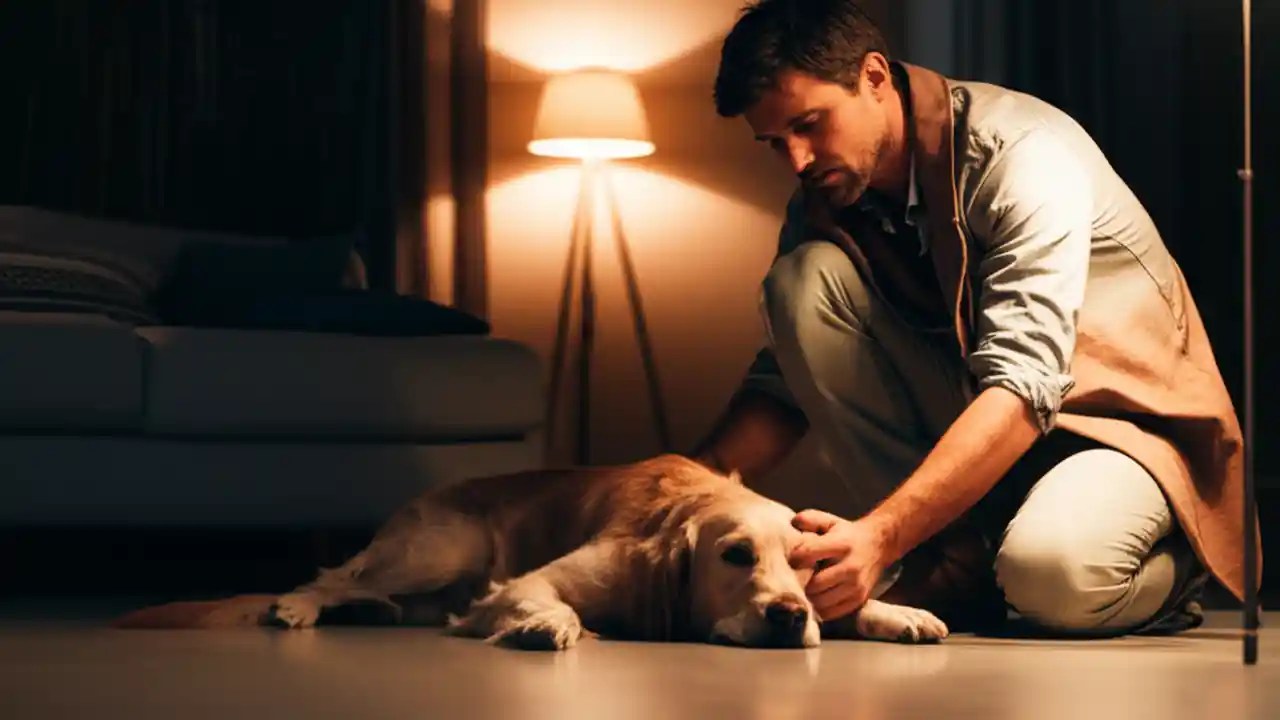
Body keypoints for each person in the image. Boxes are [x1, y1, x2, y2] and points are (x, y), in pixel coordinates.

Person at [692, 0, 1258, 636]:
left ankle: (1164, 567)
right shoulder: (828, 193)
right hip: (984, 418)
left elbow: (1025, 382)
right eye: (775, 142)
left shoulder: (1023, 154)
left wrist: (881, 534)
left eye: (810, 124)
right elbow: (790, 379)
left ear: (874, 77)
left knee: (1053, 576)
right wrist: (679, 486)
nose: (796, 160)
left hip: (1119, 430)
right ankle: (955, 558)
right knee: (802, 284)